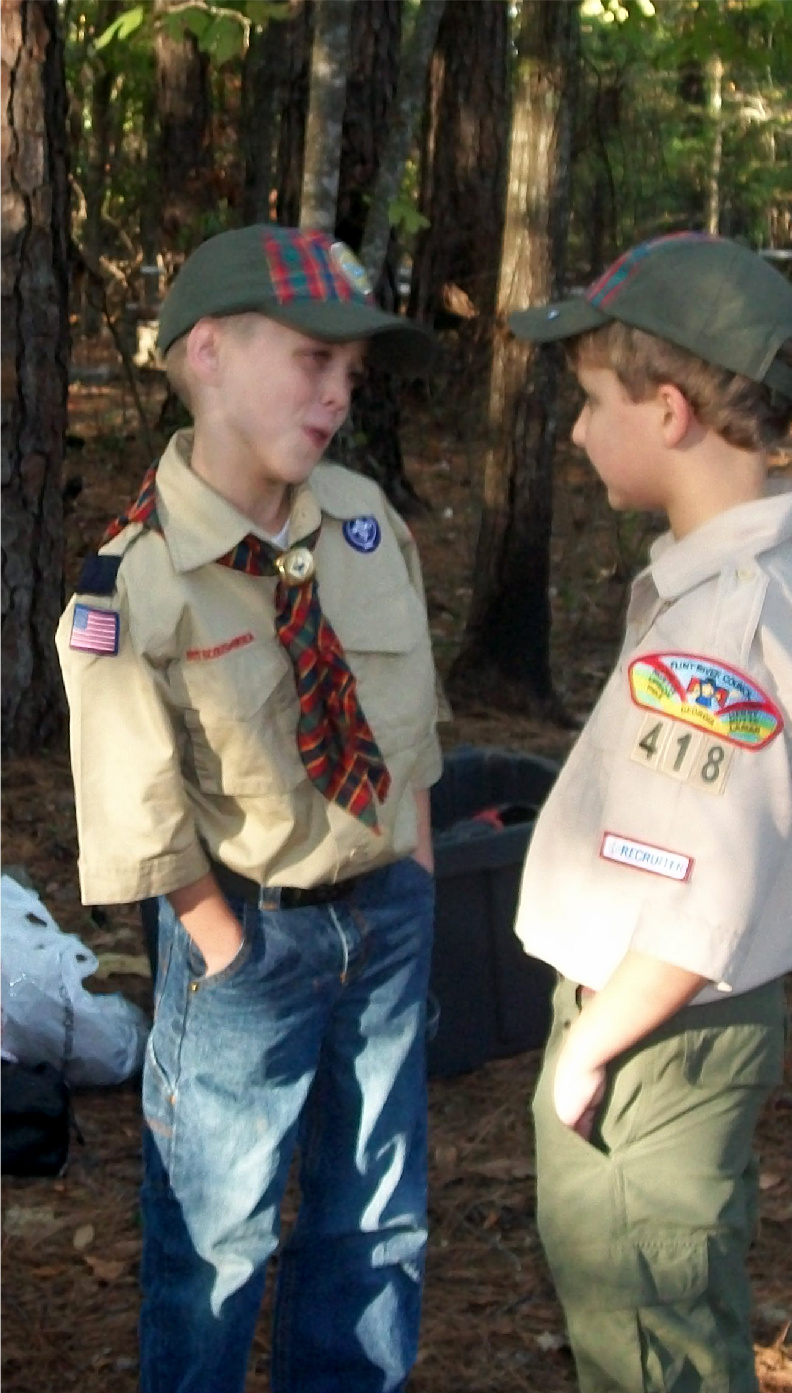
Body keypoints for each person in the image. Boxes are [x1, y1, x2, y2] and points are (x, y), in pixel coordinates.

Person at [55, 224, 444, 1393]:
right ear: (207, 352)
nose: (336, 394)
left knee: (374, 1217)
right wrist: (219, 944)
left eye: (351, 375)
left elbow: (413, 716)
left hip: (385, 921)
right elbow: (136, 796)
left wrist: (414, 866)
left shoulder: (366, 519)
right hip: (246, 936)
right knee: (216, 1238)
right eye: (313, 360)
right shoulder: (136, 578)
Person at [508, 232, 792, 1393]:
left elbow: (691, 903)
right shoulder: (727, 582)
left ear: (668, 412)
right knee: (667, 1311)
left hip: (651, 1034)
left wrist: (593, 1044)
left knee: (649, 1337)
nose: (574, 430)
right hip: (669, 1027)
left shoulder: (724, 626)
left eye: (592, 401)